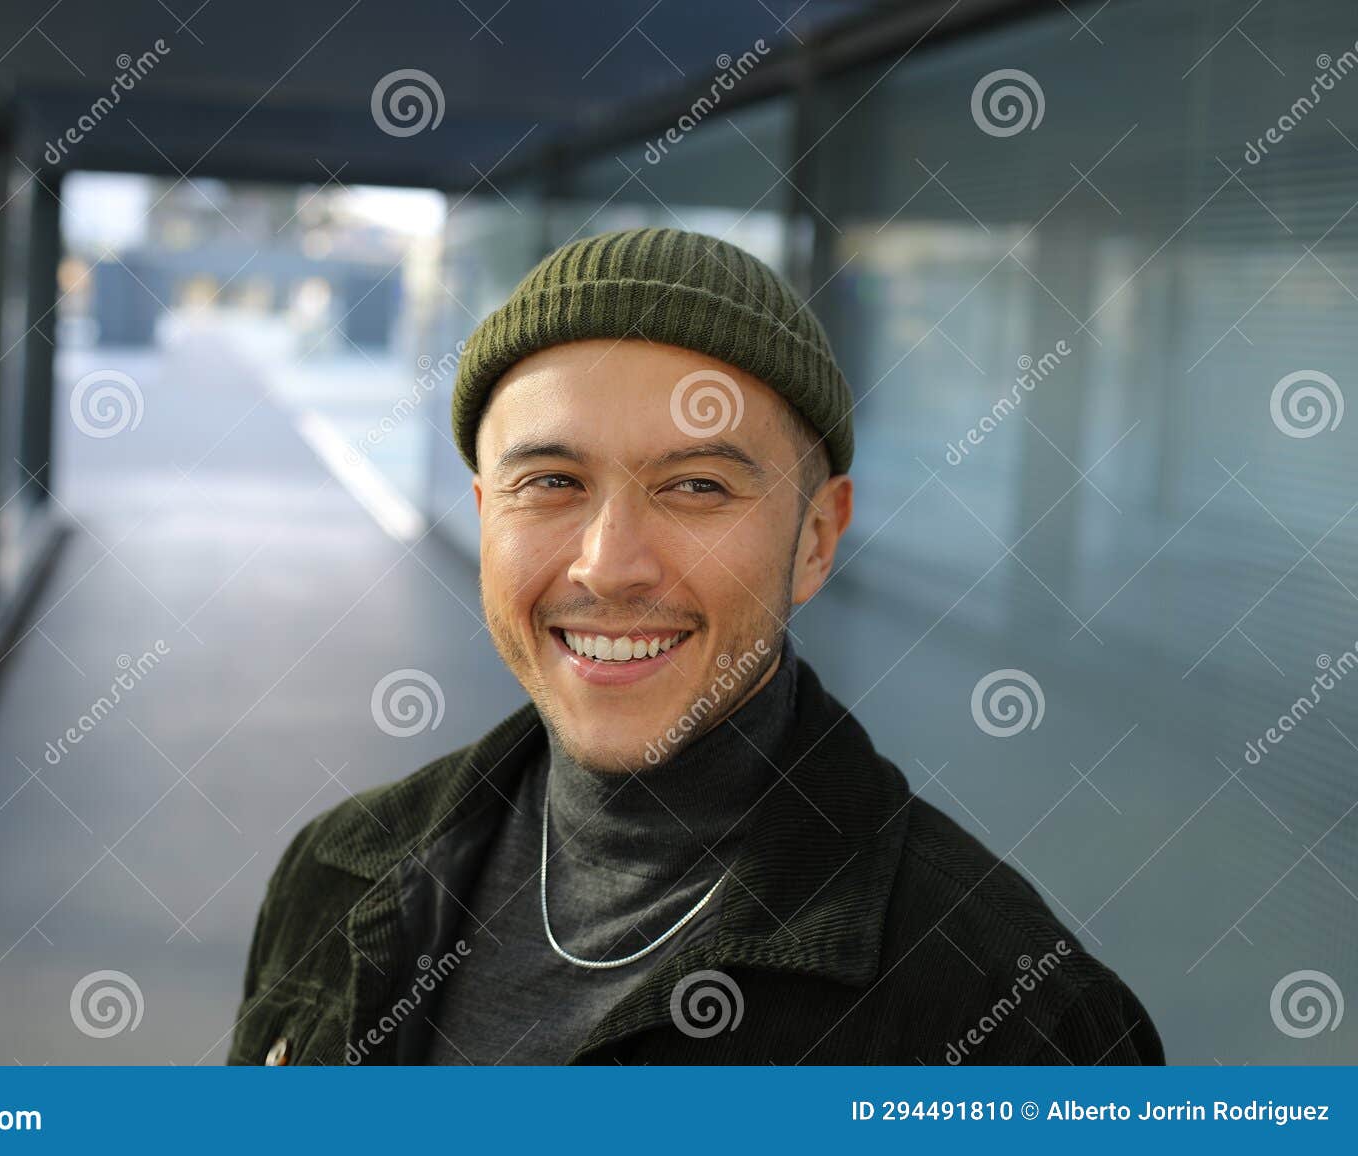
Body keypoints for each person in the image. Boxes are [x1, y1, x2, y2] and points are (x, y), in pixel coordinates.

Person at [228, 227, 1163, 1066]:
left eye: (699, 488)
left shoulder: (1012, 1019)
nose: (609, 566)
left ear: (816, 539)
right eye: (551, 481)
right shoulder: (338, 872)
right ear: (485, 518)